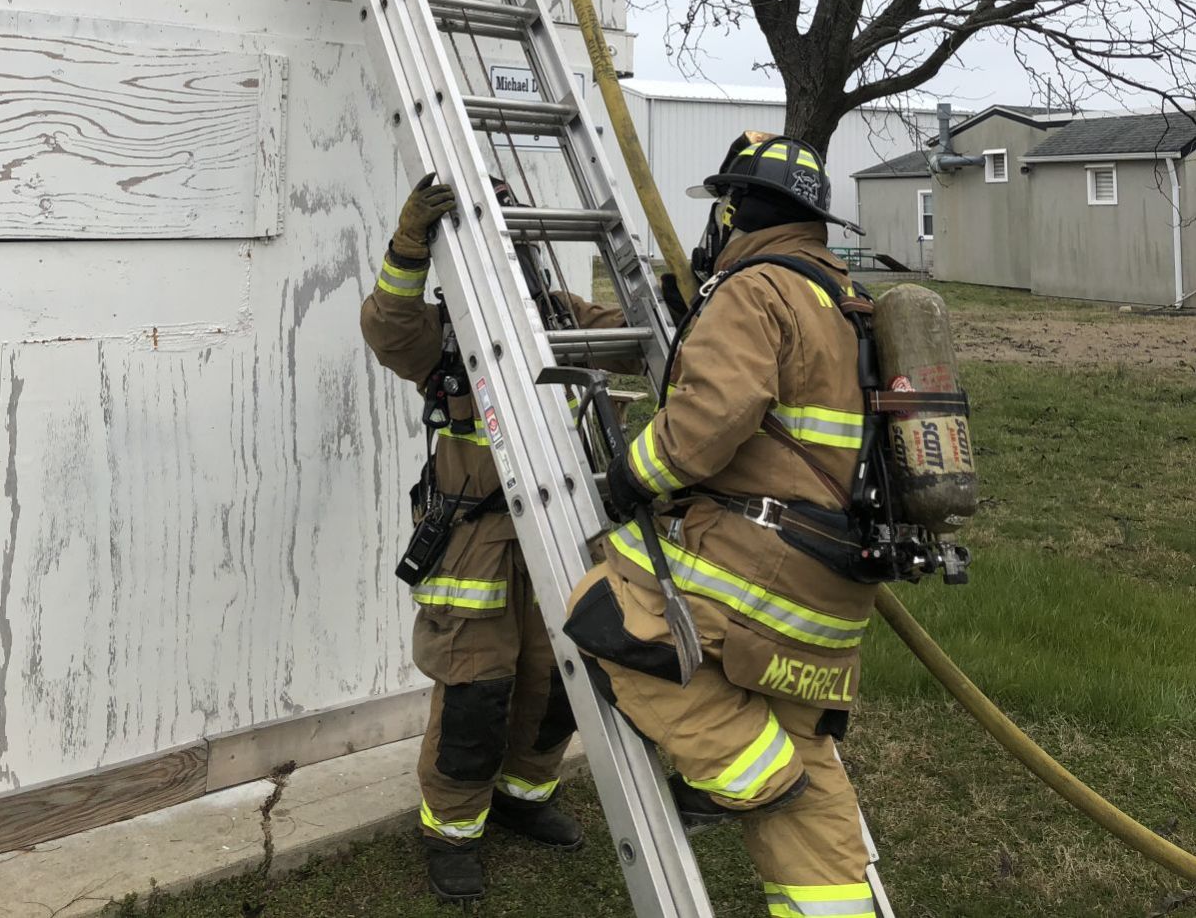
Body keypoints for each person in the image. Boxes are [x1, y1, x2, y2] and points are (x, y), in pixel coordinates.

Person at [564, 133, 880, 918]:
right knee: (801, 745)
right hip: (835, 598)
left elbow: (710, 417)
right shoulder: (843, 297)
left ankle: (750, 779)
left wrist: (634, 473)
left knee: (609, 614)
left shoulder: (756, 288)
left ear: (734, 211)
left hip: (764, 573)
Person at [360, 173, 624, 901]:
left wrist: (681, 309)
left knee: (558, 677)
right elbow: (386, 327)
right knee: (476, 690)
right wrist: (408, 246)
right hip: (476, 541)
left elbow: (624, 343)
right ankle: (451, 830)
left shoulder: (557, 314)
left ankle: (525, 795)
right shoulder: (444, 332)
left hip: (561, 526)